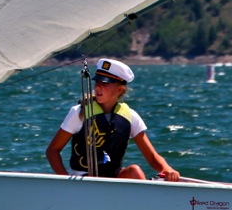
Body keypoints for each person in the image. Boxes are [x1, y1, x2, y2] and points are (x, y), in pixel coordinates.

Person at [45, 58, 181, 181]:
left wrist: (166, 168)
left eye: (105, 84)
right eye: (97, 82)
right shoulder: (79, 112)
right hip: (83, 180)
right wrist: (66, 181)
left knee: (134, 171)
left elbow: (151, 157)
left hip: (113, 179)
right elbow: (53, 150)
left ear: (120, 90)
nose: (98, 87)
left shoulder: (131, 116)